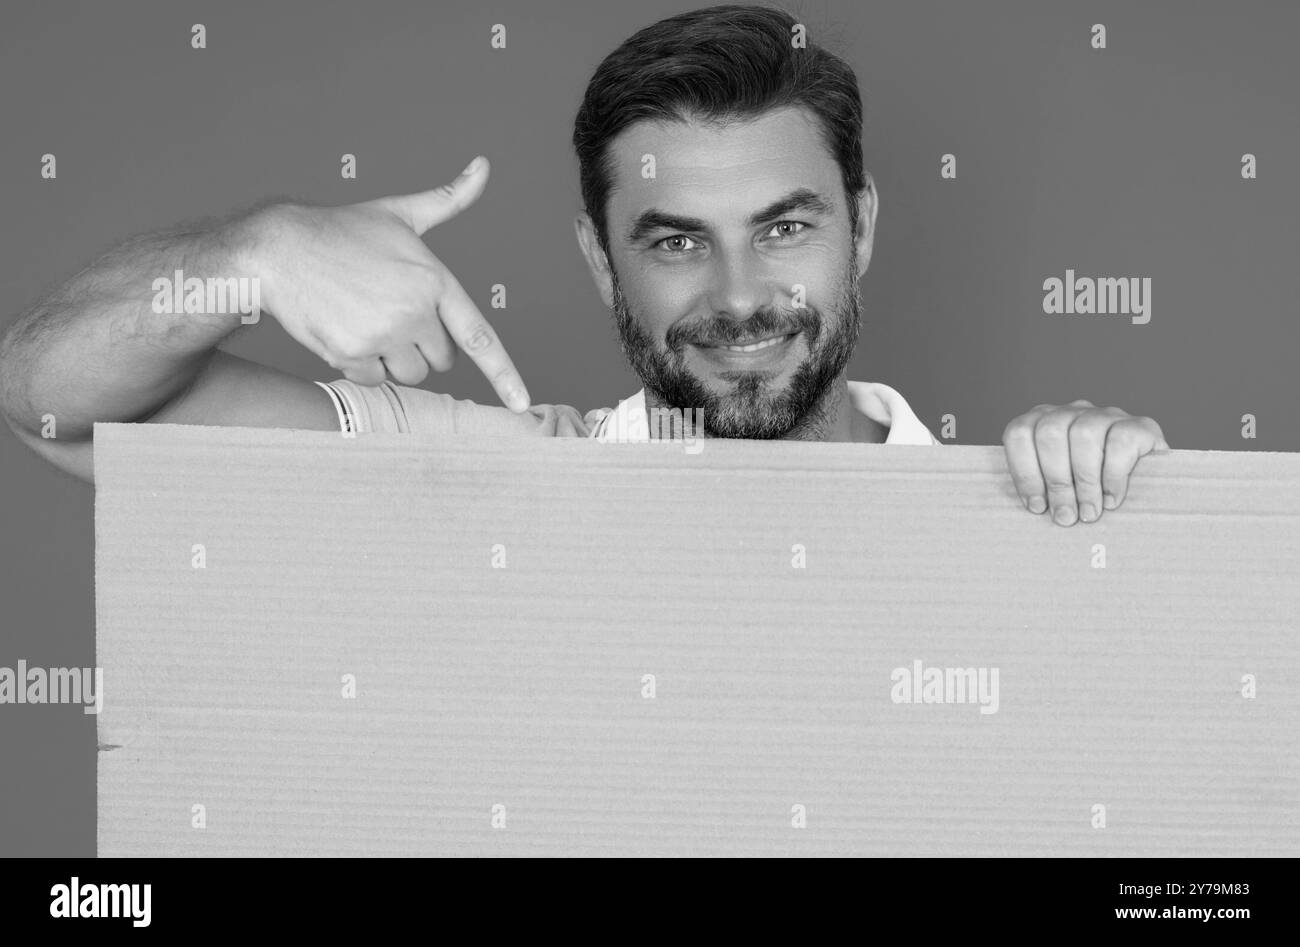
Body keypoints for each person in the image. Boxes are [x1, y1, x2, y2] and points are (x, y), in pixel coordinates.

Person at [0, 5, 1166, 527]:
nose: (737, 296)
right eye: (671, 241)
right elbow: (60, 413)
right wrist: (250, 253)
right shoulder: (473, 485)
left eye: (784, 226)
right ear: (600, 267)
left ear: (860, 229)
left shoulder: (1023, 514)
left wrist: (1145, 507)